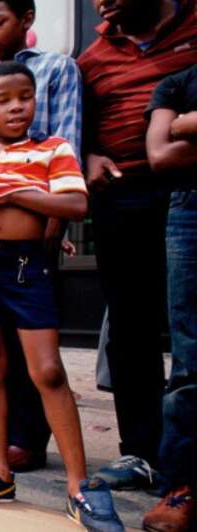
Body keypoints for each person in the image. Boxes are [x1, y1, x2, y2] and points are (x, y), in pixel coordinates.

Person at [0, 62, 124, 531]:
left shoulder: (53, 148)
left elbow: (75, 204)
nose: (17, 106)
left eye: (25, 96)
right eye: (4, 100)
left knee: (47, 370)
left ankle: (80, 486)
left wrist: (12, 191)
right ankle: (0, 473)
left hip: (27, 265)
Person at [77, 0, 197, 491]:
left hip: (187, 188)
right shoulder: (93, 58)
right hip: (122, 194)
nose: (102, 3)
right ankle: (141, 452)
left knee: (191, 331)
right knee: (130, 326)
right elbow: (75, 126)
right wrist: (87, 156)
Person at [0, 0, 85, 472]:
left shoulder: (57, 69)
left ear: (26, 19)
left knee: (40, 354)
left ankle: (32, 441)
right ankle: (4, 440)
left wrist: (52, 230)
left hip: (36, 230)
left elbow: (68, 145)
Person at [142, 63, 197, 532]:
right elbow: (160, 153)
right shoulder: (177, 82)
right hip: (190, 205)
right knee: (190, 356)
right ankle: (182, 484)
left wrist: (188, 122)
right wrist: (177, 123)